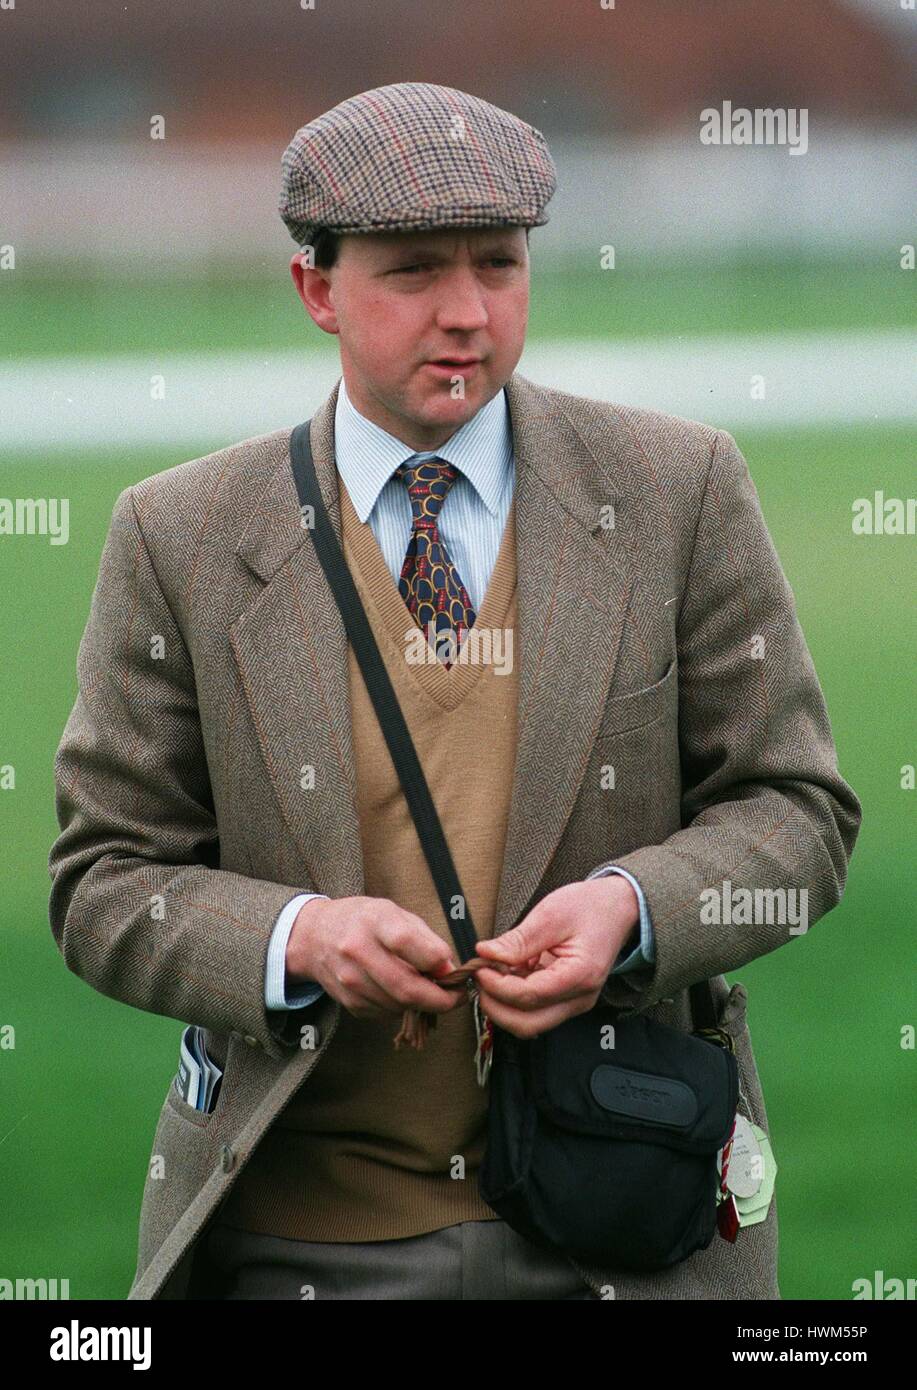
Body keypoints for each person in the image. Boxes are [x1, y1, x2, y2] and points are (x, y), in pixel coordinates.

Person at [48, 81, 861, 1301]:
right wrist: (295, 939)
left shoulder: (678, 488)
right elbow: (103, 879)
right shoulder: (179, 535)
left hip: (625, 1228)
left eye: (499, 263)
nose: (468, 313)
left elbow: (797, 814)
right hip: (295, 1247)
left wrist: (632, 913)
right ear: (315, 290)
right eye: (414, 272)